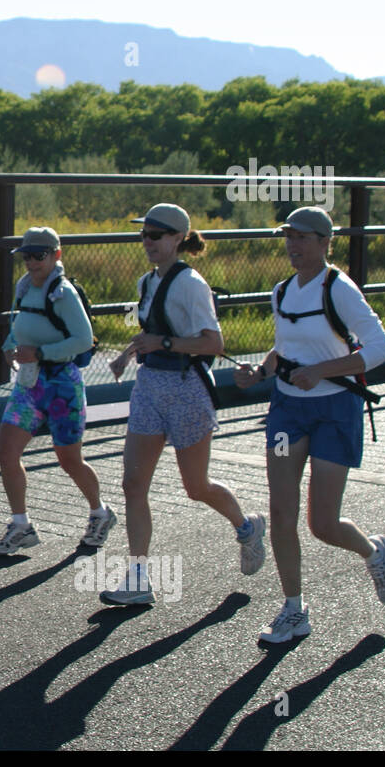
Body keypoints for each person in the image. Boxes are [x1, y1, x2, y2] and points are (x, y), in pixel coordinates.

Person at [233, 206, 385, 643]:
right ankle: (294, 610)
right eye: (288, 236)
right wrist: (261, 372)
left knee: (322, 524)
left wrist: (323, 371)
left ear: (326, 243)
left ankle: (373, 552)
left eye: (303, 237)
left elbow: (380, 348)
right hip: (288, 412)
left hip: (335, 410)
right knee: (282, 514)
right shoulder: (282, 290)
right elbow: (284, 348)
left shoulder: (339, 288)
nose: (293, 244)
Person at [103, 203, 265, 604]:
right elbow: (151, 332)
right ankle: (139, 578)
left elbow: (214, 343)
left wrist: (165, 344)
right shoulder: (147, 282)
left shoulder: (192, 284)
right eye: (144, 235)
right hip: (150, 387)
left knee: (195, 487)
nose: (148, 242)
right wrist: (128, 354)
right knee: (133, 482)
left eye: (156, 235)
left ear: (178, 238)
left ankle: (246, 527)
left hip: (186, 388)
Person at [0, 227, 117, 554]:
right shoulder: (23, 287)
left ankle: (100, 513)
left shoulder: (64, 293)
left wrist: (41, 354)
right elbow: (19, 327)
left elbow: (83, 340)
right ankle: (21, 525)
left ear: (56, 255)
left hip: (62, 384)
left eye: (39, 256)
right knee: (6, 451)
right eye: (27, 256)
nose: (32, 262)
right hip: (30, 384)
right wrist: (10, 347)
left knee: (70, 460)